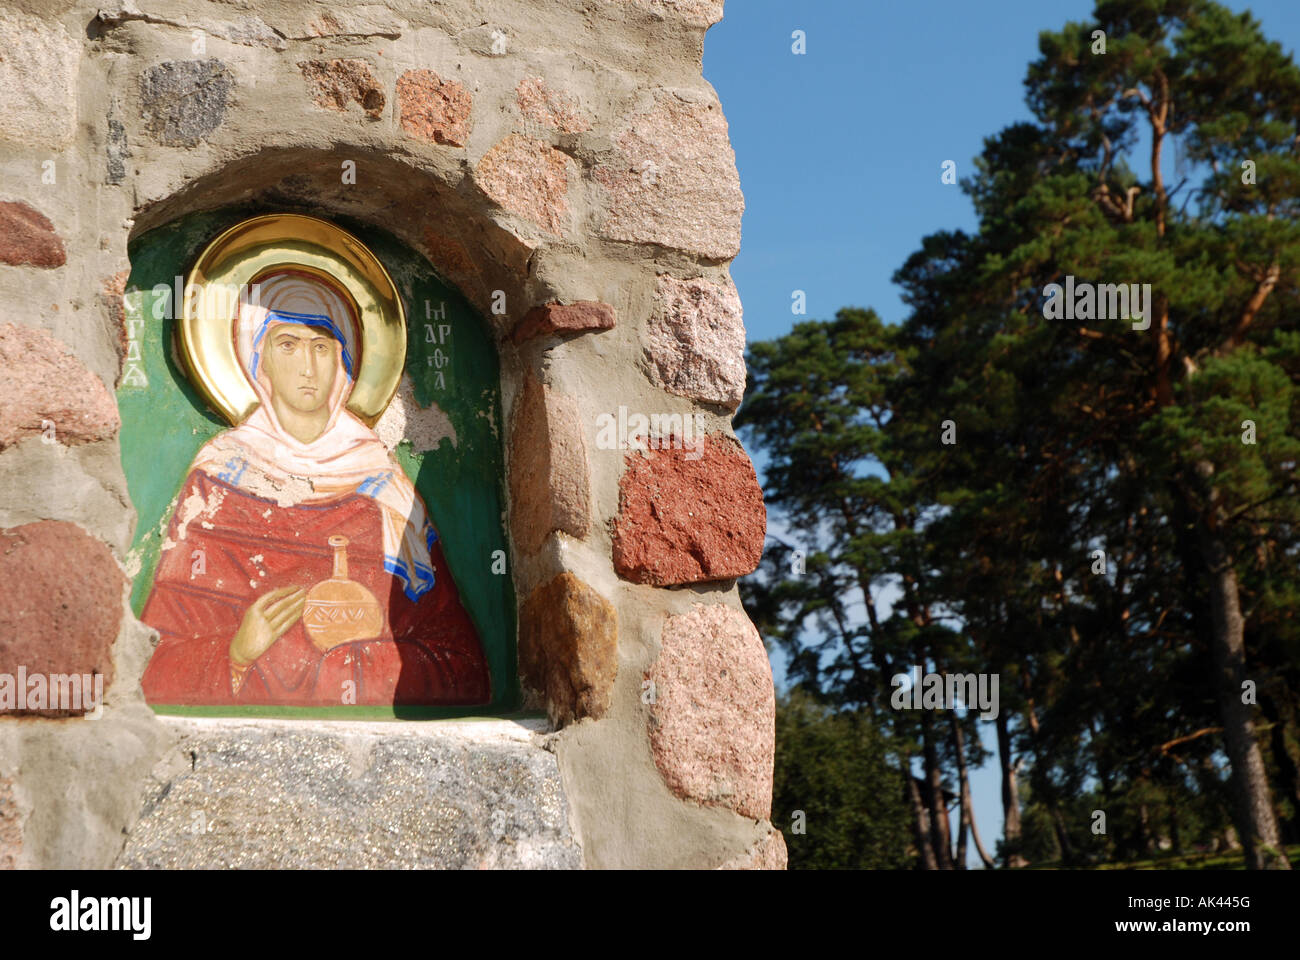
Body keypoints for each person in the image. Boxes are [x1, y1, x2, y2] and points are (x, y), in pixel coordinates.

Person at [140, 271, 490, 706]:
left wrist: (352, 665)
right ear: (257, 358)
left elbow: (462, 665)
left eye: (322, 346)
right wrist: (235, 652)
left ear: (345, 361)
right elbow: (154, 667)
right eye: (287, 344)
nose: (308, 366)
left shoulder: (386, 489)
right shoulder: (217, 480)